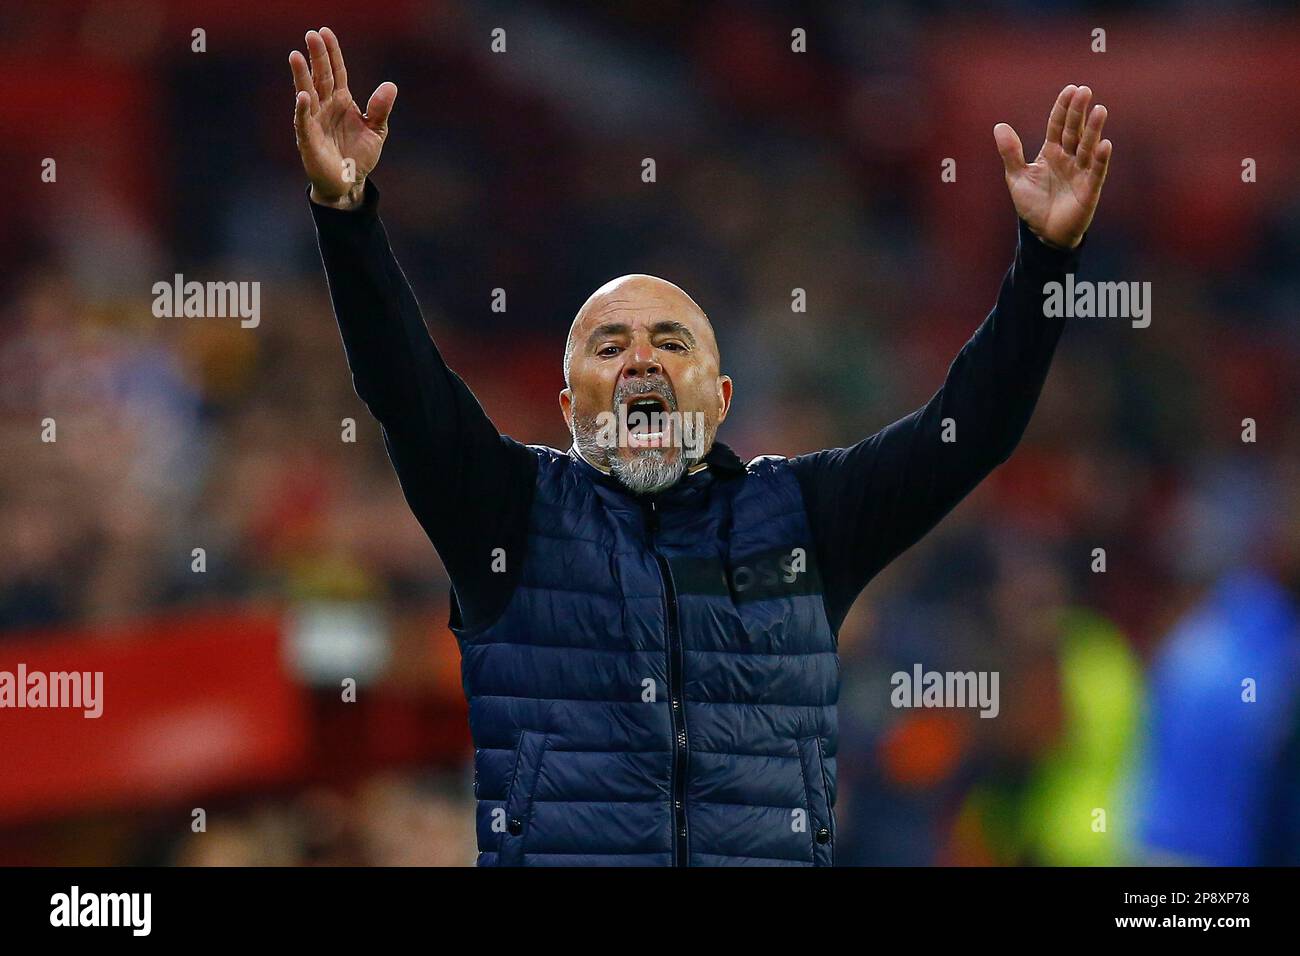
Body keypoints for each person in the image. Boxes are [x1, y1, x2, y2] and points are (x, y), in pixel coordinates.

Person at [289, 26, 1111, 865]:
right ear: (570, 404)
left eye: (672, 343)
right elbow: (404, 388)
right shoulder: (508, 514)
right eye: (610, 347)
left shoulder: (805, 520)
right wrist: (347, 217)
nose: (641, 358)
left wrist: (1045, 261)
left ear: (720, 399)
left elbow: (972, 429)